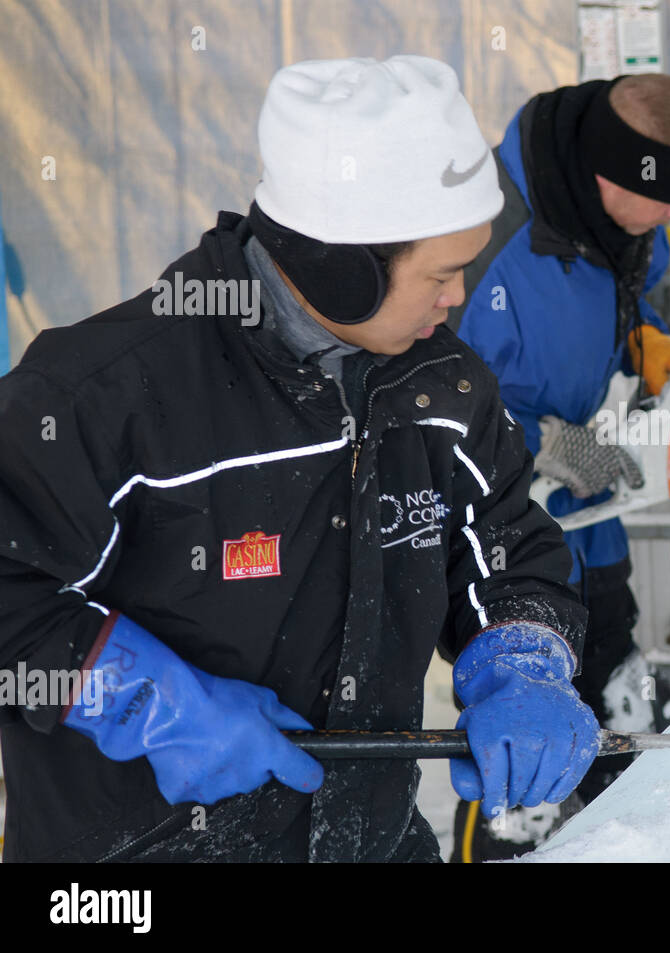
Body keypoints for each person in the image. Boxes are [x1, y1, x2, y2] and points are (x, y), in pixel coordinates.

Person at [0, 55, 598, 863]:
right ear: (341, 271)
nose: (458, 298)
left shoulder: (444, 385)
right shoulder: (106, 395)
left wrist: (522, 663)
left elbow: (507, 545)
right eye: (443, 273)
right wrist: (146, 699)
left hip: (367, 841)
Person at [449, 73, 670, 859]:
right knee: (522, 747)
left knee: (626, 716)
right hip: (502, 542)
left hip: (591, 524)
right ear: (614, 171)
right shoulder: (484, 238)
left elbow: (624, 308)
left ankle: (640, 837)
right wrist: (544, 442)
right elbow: (428, 396)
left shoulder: (630, 224)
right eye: (669, 196)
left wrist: (655, 351)